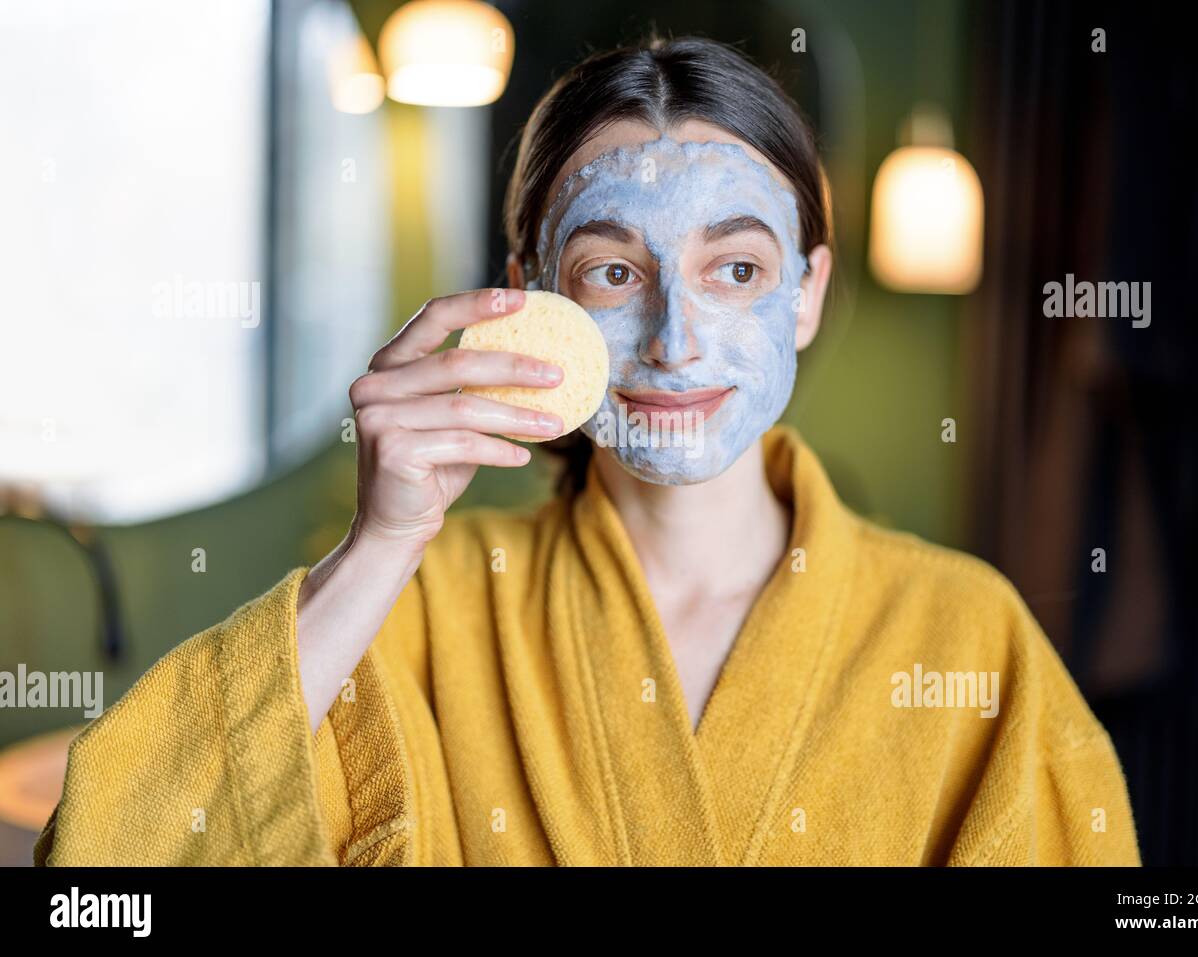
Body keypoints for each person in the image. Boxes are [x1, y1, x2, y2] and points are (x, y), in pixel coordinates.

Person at [36, 36, 1140, 866]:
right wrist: (379, 548)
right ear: (531, 299)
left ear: (807, 293)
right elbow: (103, 871)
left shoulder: (967, 635)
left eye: (738, 270)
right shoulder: (417, 613)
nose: (672, 337)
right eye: (614, 272)